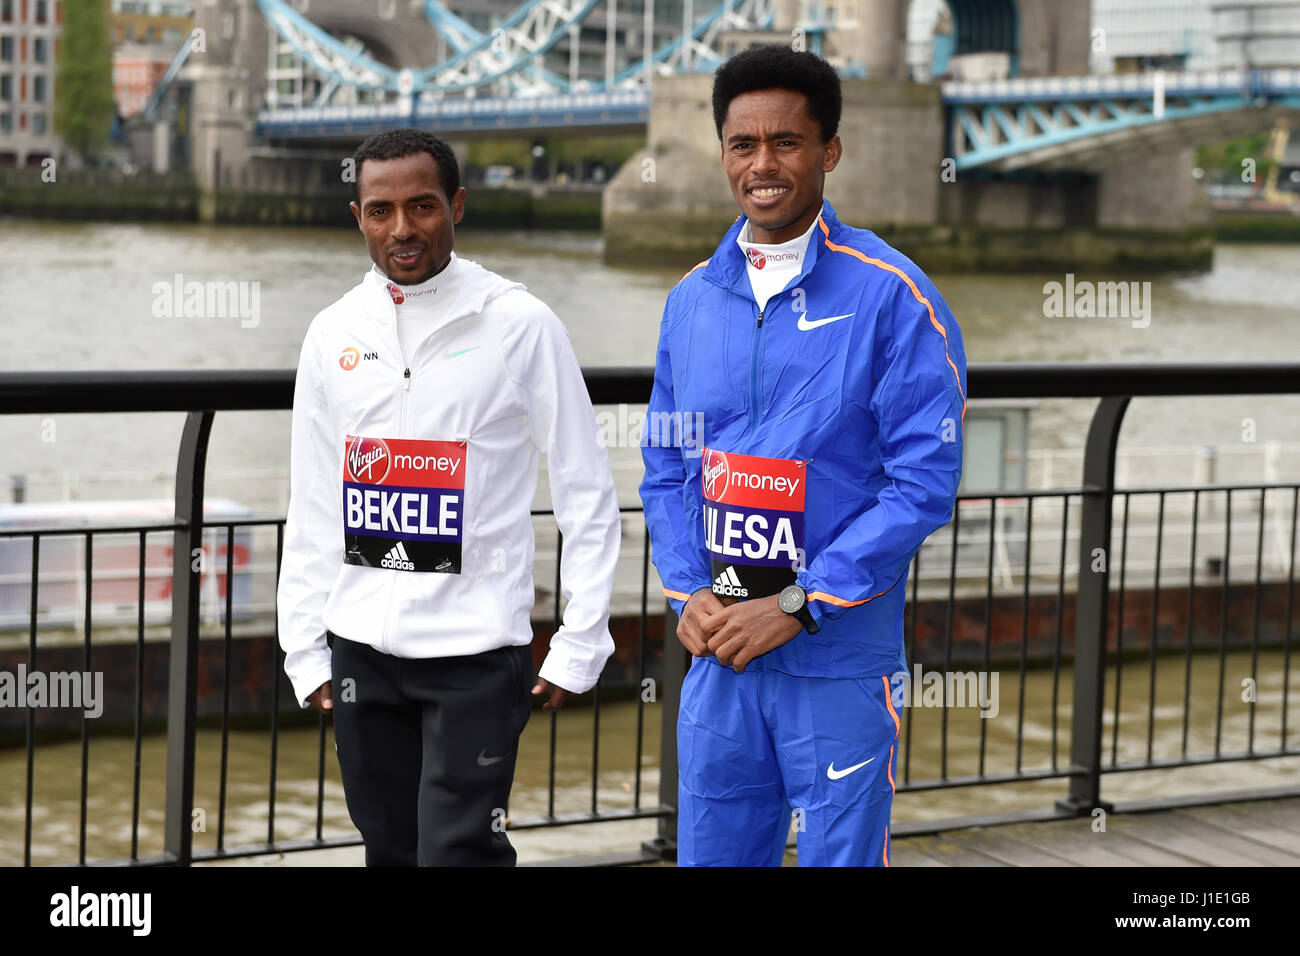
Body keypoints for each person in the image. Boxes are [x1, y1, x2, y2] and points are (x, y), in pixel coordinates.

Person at [639, 46, 967, 867]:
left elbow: (921, 483)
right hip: (720, 656)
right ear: (722, 152)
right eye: (742, 144)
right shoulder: (689, 300)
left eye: (786, 143)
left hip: (836, 661)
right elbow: (669, 463)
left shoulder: (894, 295)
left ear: (830, 151)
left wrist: (799, 602)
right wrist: (686, 587)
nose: (762, 165)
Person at [277, 128, 621, 866]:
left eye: (422, 206)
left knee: (458, 854)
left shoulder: (521, 325)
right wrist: (303, 649)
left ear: (457, 206)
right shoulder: (331, 331)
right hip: (360, 653)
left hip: (476, 655)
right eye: (380, 210)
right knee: (390, 852)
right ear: (358, 216)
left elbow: (585, 490)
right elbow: (311, 502)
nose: (401, 229)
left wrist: (581, 640)